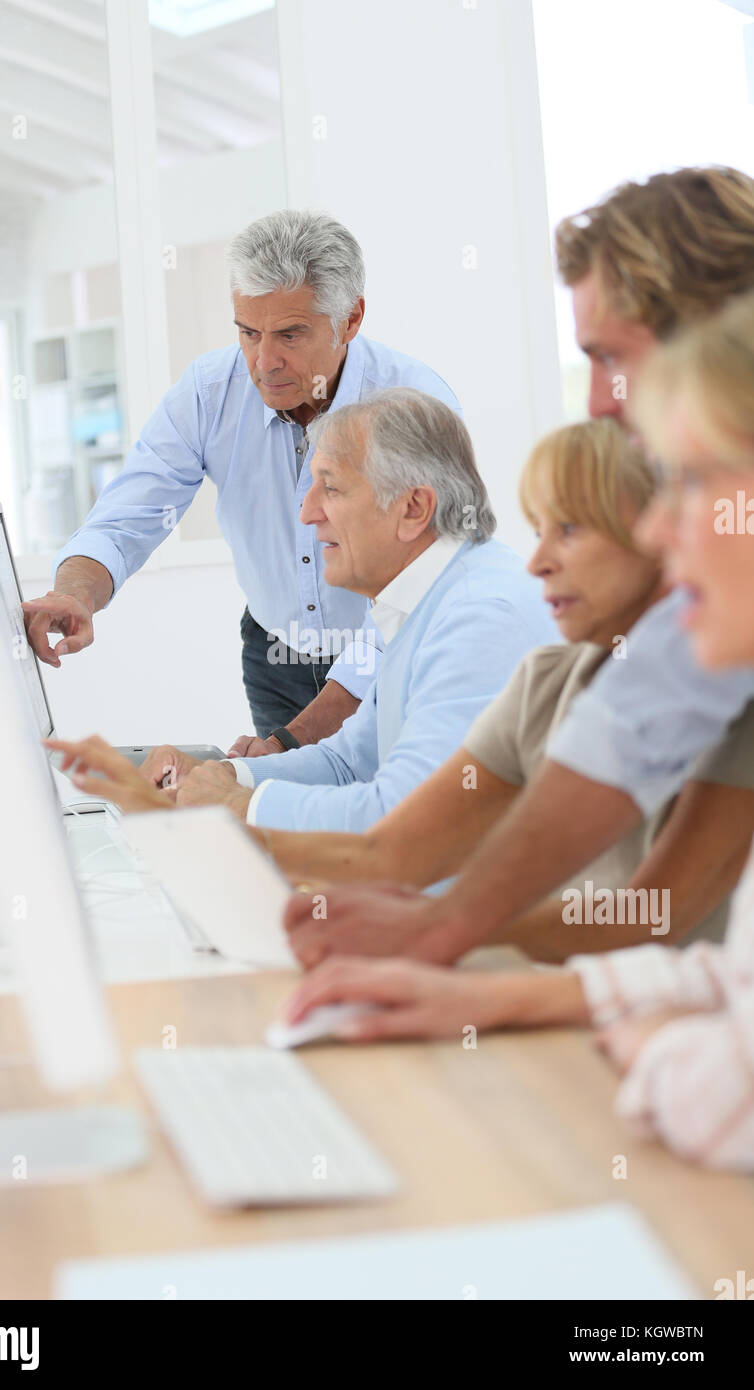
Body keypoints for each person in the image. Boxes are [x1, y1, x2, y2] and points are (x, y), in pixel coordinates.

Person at [277, 291, 754, 1172]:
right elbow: (721, 982)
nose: (536, 561)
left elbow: (722, 1087)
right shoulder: (563, 674)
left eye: (688, 484)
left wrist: (476, 949)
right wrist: (481, 977)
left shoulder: (495, 614)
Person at [281, 166, 754, 962]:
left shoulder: (487, 609)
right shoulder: (698, 584)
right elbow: (628, 731)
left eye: (610, 357)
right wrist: (442, 938)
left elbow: (662, 906)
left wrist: (451, 948)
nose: (601, 401)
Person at [222, 417, 754, 961]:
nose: (538, 563)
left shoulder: (488, 616)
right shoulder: (545, 681)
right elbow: (401, 846)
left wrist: (235, 814)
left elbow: (651, 919)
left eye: (569, 529)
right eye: (540, 529)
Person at [22, 209, 461, 753]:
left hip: (395, 647)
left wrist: (290, 743)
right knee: (289, 829)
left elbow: (417, 596)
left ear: (350, 319)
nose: (264, 361)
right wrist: (75, 595)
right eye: (248, 333)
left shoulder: (414, 403)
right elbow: (126, 517)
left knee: (393, 817)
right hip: (275, 654)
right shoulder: (210, 392)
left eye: (290, 335)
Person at [47, 390, 555, 833]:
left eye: (330, 487)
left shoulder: (481, 619)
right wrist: (224, 775)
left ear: (414, 509)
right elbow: (347, 762)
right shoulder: (421, 602)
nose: (307, 512)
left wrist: (241, 805)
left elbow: (410, 815)